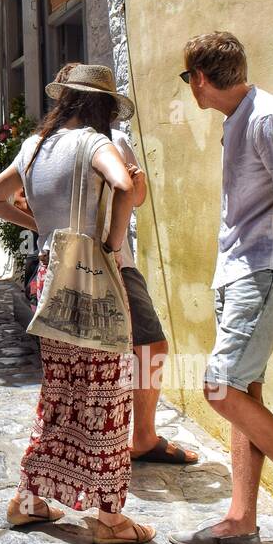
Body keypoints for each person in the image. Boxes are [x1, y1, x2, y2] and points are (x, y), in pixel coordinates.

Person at [0, 63, 154, 544]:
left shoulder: (34, 146)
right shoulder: (95, 143)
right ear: (99, 107)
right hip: (93, 283)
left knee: (59, 393)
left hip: (46, 280)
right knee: (105, 396)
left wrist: (41, 229)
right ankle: (110, 519)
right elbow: (121, 185)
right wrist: (113, 243)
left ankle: (29, 499)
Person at [169, 32, 273, 544]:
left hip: (265, 271)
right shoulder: (241, 119)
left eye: (189, 76)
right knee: (243, 391)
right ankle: (241, 519)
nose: (190, 86)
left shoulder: (266, 118)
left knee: (220, 388)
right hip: (240, 272)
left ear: (202, 80)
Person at [110, 128, 200, 467]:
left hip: (82, 264)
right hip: (116, 262)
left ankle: (134, 438)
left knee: (126, 350)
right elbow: (126, 194)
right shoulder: (103, 139)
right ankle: (141, 437)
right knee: (149, 346)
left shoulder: (52, 143)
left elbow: (136, 197)